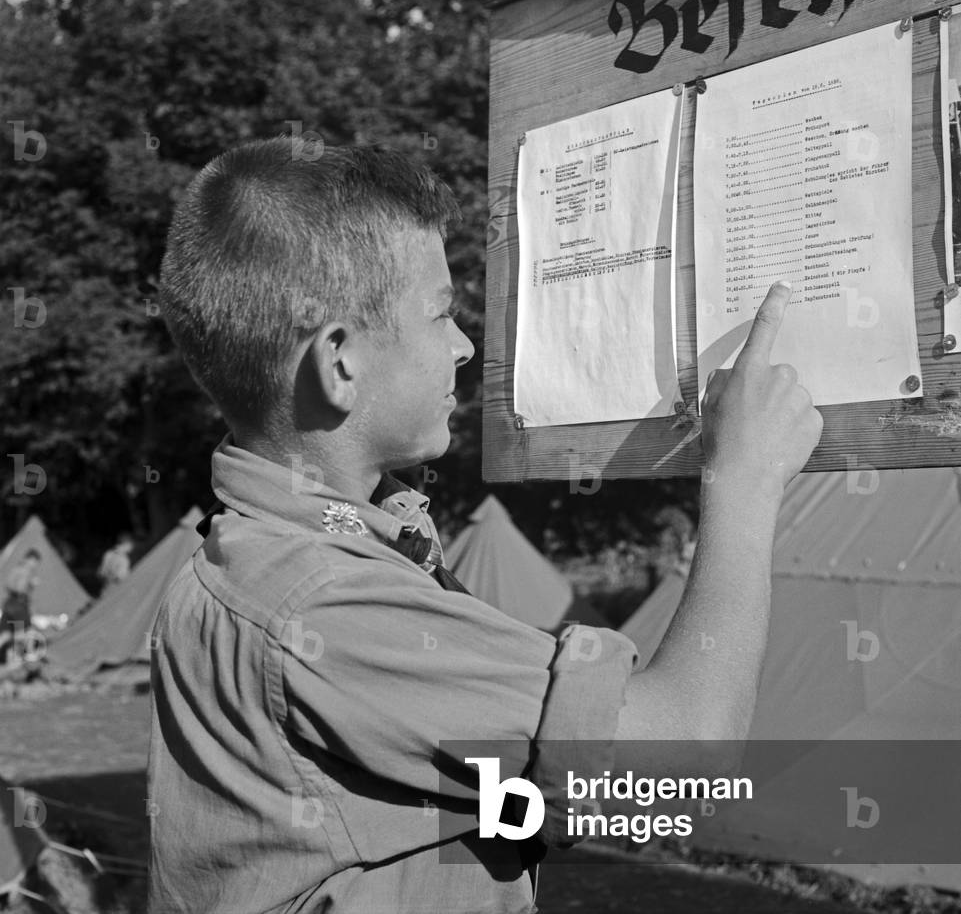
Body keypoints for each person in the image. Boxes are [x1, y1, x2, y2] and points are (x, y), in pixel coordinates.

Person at [148, 138, 822, 914]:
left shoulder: (247, 558)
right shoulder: (326, 601)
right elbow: (684, 759)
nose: (465, 344)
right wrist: (742, 478)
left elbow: (418, 787)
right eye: (440, 313)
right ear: (339, 361)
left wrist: (549, 780)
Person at [0, 548, 40, 666]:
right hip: (18, 607)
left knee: (5, 634)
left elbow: (8, 585)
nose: (35, 565)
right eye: (35, 562)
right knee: (20, 634)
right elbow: (20, 589)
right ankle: (15, 663)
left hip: (8, 606)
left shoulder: (15, 569)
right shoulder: (26, 571)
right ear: (30, 560)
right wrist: (31, 584)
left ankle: (10, 661)